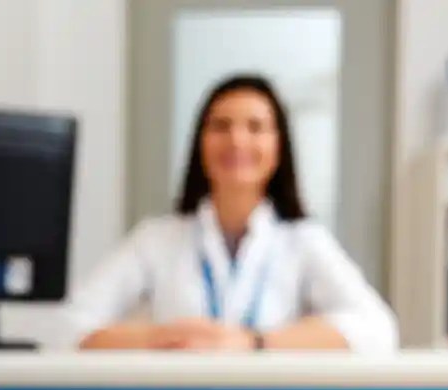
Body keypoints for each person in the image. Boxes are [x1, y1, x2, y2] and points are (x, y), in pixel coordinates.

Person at [61, 75, 398, 353]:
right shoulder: (156, 239)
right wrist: (159, 338)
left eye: (255, 127)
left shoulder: (304, 241)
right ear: (200, 144)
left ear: (278, 148)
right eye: (220, 126)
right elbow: (70, 325)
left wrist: (255, 342)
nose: (236, 140)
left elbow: (378, 329)